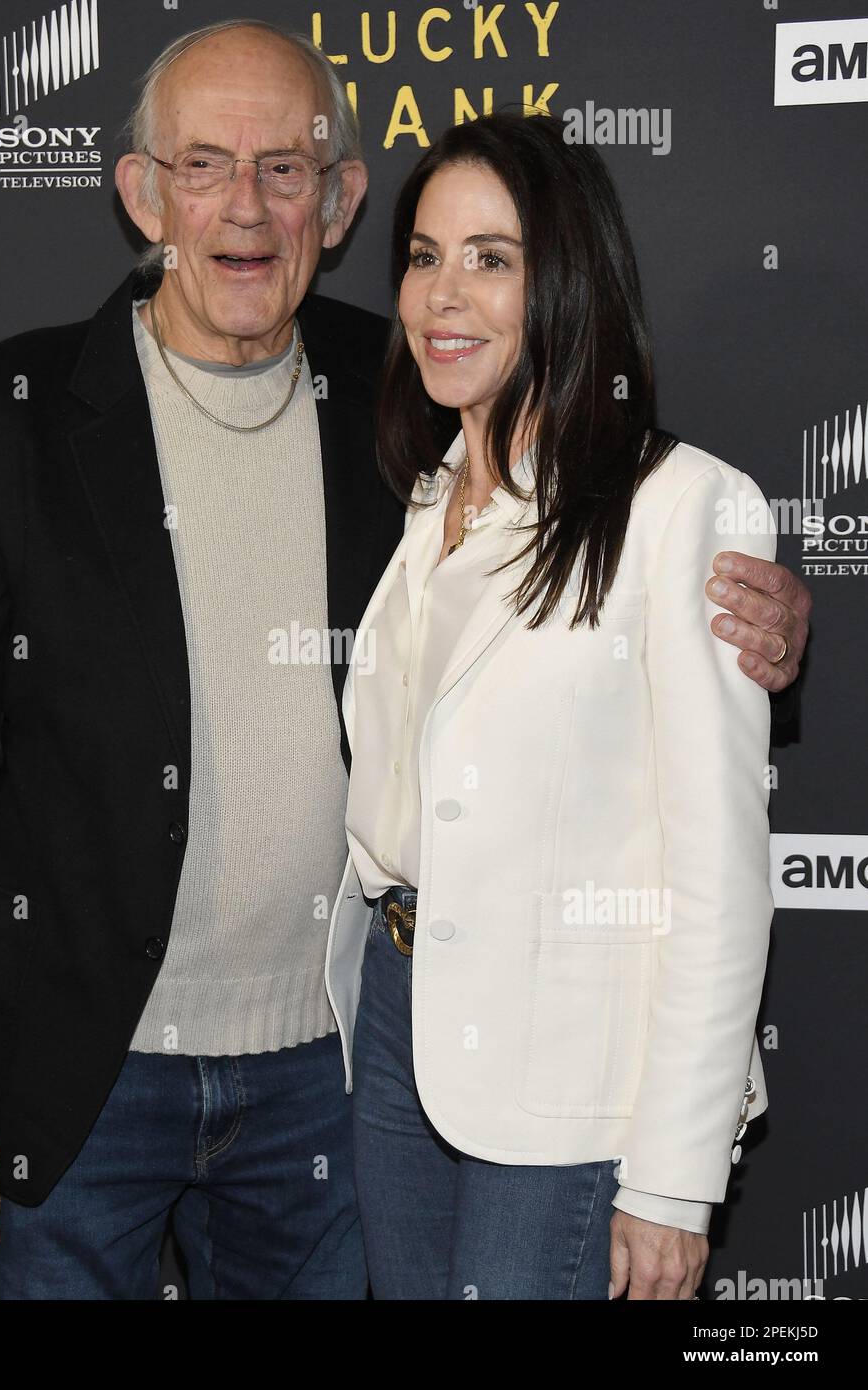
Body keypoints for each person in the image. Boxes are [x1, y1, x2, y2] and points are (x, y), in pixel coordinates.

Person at [0, 20, 809, 1301]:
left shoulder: (399, 384)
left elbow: (593, 463)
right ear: (142, 194)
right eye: (202, 165)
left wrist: (744, 599)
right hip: (79, 1077)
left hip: (331, 1070)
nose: (245, 207)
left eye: (287, 167)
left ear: (340, 198)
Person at [325, 111, 787, 1301]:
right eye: (423, 256)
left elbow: (719, 872)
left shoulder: (683, 508)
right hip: (394, 1023)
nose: (441, 295)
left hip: (570, 1063)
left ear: (567, 279)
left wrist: (675, 1176)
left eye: (491, 258)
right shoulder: (423, 500)